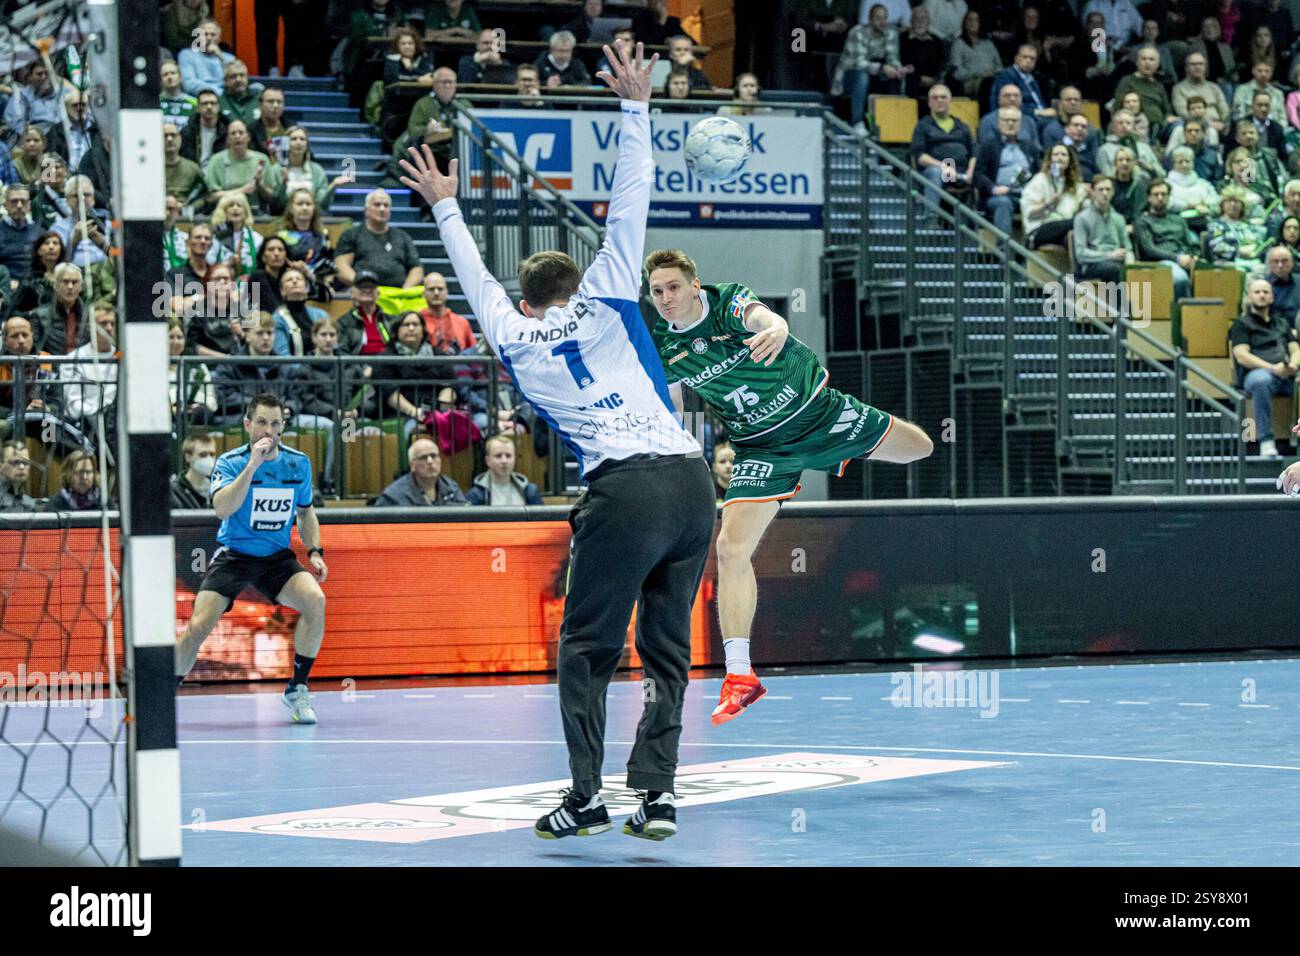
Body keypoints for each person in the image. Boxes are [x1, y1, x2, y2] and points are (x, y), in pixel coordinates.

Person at [400, 41, 715, 841]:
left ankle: (586, 795)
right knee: (668, 646)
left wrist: (443, 203)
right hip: (690, 484)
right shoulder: (611, 288)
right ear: (574, 284)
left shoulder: (514, 335)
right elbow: (630, 199)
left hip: (626, 489)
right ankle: (661, 793)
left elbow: (471, 277)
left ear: (527, 301)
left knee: (586, 649)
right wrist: (636, 106)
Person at [642, 245, 933, 725]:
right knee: (732, 548)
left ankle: (850, 445)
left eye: (674, 287)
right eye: (657, 292)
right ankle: (740, 676)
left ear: (694, 285)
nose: (666, 297)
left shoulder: (727, 302)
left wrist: (776, 327)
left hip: (818, 414)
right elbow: (648, 390)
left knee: (920, 447)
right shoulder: (666, 347)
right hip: (762, 448)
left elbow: (763, 317)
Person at [174, 392, 327, 723]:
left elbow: (306, 512)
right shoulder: (230, 462)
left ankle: (297, 690)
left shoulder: (297, 463)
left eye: (275, 424)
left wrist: (314, 551)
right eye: (261, 422)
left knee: (316, 601)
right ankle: (163, 695)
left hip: (276, 559)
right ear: (247, 425)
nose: (268, 431)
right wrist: (253, 465)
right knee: (198, 627)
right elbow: (222, 508)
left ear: (282, 427)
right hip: (235, 556)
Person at [1231, 277, 1299, 457]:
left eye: (1265, 292)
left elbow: (1295, 349)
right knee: (1262, 380)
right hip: (1256, 374)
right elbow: (1241, 355)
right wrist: (1271, 367)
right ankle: (1266, 441)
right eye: (1257, 292)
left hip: (1285, 374)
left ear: (1272, 297)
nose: (1262, 295)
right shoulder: (1242, 324)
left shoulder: (1281, 323)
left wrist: (1293, 364)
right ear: (1249, 297)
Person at [833, 4, 908, 136]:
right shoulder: (857, 32)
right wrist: (882, 68)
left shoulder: (891, 33)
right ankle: (858, 122)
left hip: (874, 76)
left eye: (885, 18)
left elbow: (892, 57)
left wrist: (897, 69)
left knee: (894, 79)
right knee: (862, 76)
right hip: (849, 77)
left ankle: (890, 126)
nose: (882, 22)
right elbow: (858, 63)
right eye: (878, 18)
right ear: (870, 19)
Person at [334, 189, 423, 289]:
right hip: (363, 293)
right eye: (377, 204)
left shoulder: (403, 236)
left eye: (386, 205)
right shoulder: (352, 235)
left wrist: (404, 291)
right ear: (366, 209)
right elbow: (341, 267)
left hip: (397, 296)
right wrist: (363, 286)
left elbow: (417, 269)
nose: (382, 209)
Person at [975, 108, 1039, 235]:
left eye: (1014, 121)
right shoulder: (989, 146)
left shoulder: (1029, 147)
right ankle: (1004, 252)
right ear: (999, 124)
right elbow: (977, 175)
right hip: (998, 196)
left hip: (1025, 195)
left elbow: (1037, 173)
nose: (1010, 123)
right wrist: (993, 188)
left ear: (1020, 124)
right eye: (1006, 120)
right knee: (1003, 203)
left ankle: (1035, 248)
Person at [1134, 179, 1198, 296]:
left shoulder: (1178, 220)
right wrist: (1177, 258)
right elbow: (1149, 249)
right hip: (1160, 262)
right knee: (1180, 279)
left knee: (1212, 275)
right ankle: (1180, 313)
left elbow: (1189, 243)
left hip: (1184, 258)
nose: (1160, 197)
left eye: (1164, 194)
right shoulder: (1142, 221)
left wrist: (1193, 257)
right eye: (1156, 194)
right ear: (1149, 198)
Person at [910, 84, 975, 200]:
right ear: (929, 102)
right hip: (936, 171)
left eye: (943, 97)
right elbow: (920, 157)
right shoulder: (922, 126)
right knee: (935, 172)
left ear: (950, 101)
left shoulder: (962, 126)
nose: (939, 100)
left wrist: (970, 171)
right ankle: (931, 216)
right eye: (935, 98)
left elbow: (974, 153)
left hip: (962, 173)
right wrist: (943, 166)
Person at [1020, 144, 1089, 247]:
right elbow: (1029, 213)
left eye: (1064, 155)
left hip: (1065, 228)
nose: (1060, 157)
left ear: (1069, 160)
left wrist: (1089, 198)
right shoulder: (1040, 180)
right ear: (1050, 159)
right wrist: (1048, 203)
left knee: (1073, 238)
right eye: (1056, 154)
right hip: (1040, 228)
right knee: (1080, 222)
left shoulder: (1075, 185)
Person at [374, 435, 469, 505]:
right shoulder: (393, 495)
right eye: (423, 458)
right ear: (412, 465)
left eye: (434, 456)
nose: (430, 461)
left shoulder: (451, 487)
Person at [1073, 175, 1134, 280]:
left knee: (1141, 272)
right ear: (1092, 192)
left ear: (1113, 192)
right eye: (1100, 189)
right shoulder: (1081, 218)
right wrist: (1109, 255)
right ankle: (1121, 297)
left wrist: (1131, 263)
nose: (1105, 193)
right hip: (1093, 264)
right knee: (1115, 269)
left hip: (1117, 261)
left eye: (1108, 189)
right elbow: (1081, 254)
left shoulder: (1119, 218)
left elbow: (1128, 248)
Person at [465, 433, 542, 505]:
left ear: (515, 458)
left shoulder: (530, 491)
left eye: (508, 456)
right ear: (487, 461)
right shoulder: (476, 495)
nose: (504, 461)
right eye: (498, 456)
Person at [1206, 185, 1268, 270]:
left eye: (1236, 201)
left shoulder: (1250, 225)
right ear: (1222, 205)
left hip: (1254, 263)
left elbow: (1261, 243)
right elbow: (1218, 247)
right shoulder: (1216, 225)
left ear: (1243, 205)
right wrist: (1239, 251)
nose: (1233, 204)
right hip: (1228, 265)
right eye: (1229, 201)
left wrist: (1255, 249)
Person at [947, 10, 1001, 100]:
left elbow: (1000, 66)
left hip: (993, 77)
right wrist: (979, 73)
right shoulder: (958, 44)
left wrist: (993, 72)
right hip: (972, 81)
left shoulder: (988, 43)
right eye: (970, 20)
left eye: (976, 20)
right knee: (989, 84)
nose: (973, 23)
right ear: (965, 23)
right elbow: (956, 73)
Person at [418, 271, 475, 353]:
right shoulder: (417, 322)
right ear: (424, 294)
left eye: (440, 289)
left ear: (447, 292)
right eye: (431, 289)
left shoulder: (462, 323)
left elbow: (473, 354)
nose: (436, 293)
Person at [178, 19, 235, 97]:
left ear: (219, 38)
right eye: (205, 34)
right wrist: (219, 93)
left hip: (226, 100)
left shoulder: (229, 58)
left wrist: (221, 58)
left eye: (213, 35)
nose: (209, 38)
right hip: (198, 98)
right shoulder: (187, 55)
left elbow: (235, 82)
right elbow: (189, 85)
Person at [211, 192, 263, 277]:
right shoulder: (214, 237)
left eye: (239, 205)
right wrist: (227, 264)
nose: (235, 208)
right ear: (223, 211)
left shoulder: (256, 238)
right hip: (220, 285)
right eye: (231, 205)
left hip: (251, 286)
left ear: (246, 211)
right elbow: (208, 266)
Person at [179, 89, 229, 167]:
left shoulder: (227, 131)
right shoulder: (188, 132)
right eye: (205, 103)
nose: (209, 107)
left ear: (219, 107)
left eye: (213, 103)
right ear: (198, 108)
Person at [171, 433, 217, 509]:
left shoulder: (218, 488)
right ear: (188, 457)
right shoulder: (175, 491)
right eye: (203, 454)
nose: (209, 459)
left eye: (212, 454)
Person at [1265, 244, 1300, 327]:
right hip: (1271, 333)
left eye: (1284, 261)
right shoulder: (1262, 285)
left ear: (1292, 263)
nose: (1280, 265)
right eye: (1275, 261)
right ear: (1269, 264)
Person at [0, 440, 35, 513]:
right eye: (15, 462)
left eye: (25, 463)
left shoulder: (30, 504)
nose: (22, 467)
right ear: (1, 465)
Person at [160, 59, 198, 124]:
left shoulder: (194, 103)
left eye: (173, 73)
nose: (170, 77)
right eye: (165, 74)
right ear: (161, 80)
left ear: (180, 77)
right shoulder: (155, 103)